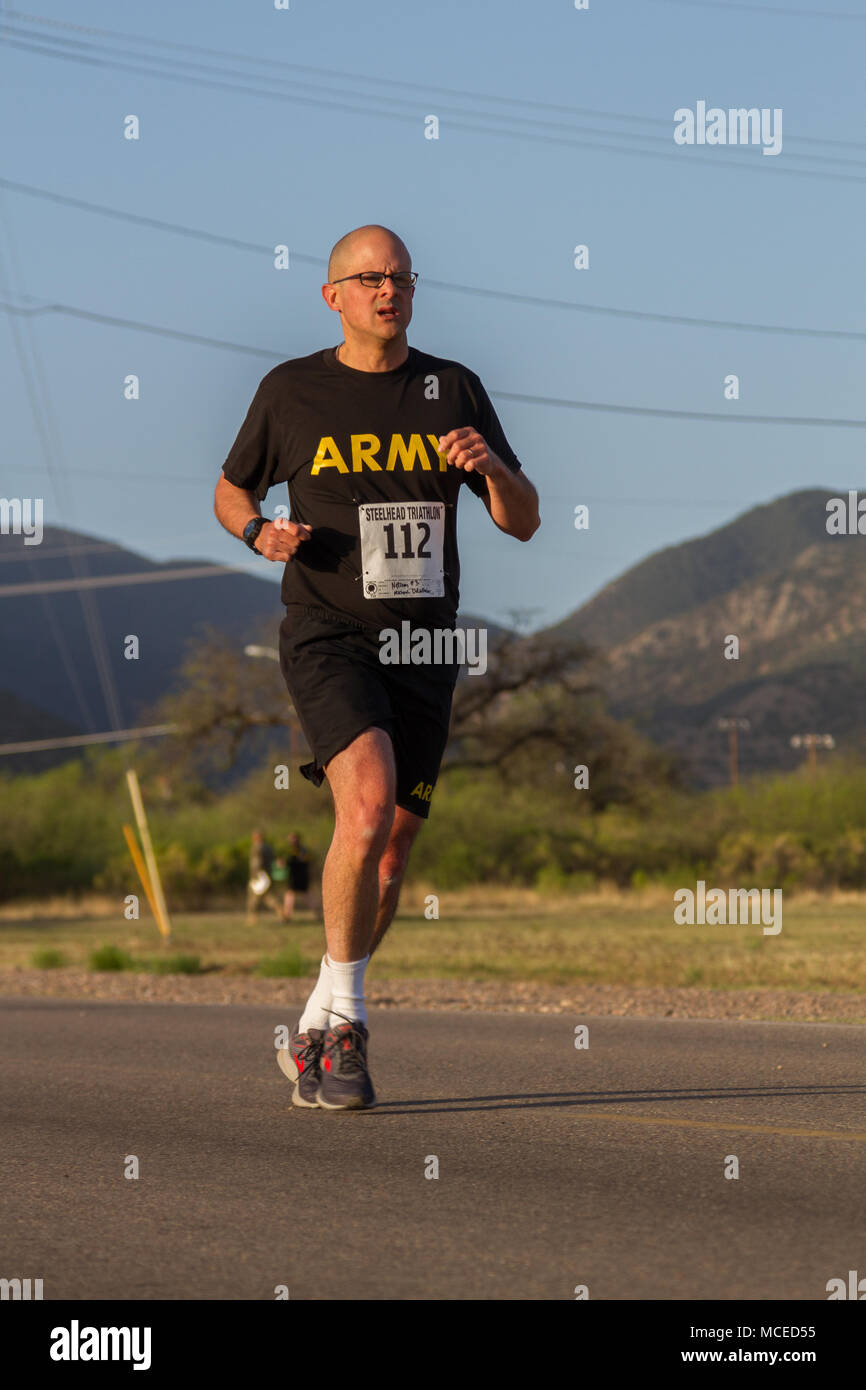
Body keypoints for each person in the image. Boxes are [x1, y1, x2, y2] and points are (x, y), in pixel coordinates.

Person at [215, 224, 539, 1110]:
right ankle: (352, 1030)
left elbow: (525, 519)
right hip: (328, 631)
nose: (387, 291)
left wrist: (491, 467)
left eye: (400, 278)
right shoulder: (291, 391)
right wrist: (258, 532)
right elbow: (231, 488)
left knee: (390, 858)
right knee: (361, 810)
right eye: (368, 279)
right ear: (335, 296)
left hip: (424, 644)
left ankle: (318, 1021)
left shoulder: (454, 387)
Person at [245, 829, 280, 924]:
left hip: (259, 877)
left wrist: (256, 875)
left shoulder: (257, 848)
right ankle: (280, 911)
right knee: (267, 897)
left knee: (253, 899)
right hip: (267, 876)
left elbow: (256, 863)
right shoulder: (269, 847)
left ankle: (252, 919)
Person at [283, 831, 317, 921]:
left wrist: (286, 863)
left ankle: (287, 916)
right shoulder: (294, 849)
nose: (290, 840)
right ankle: (287, 915)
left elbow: (300, 861)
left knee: (294, 895)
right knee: (293, 895)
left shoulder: (301, 850)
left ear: (297, 839)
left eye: (292, 838)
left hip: (299, 876)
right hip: (295, 876)